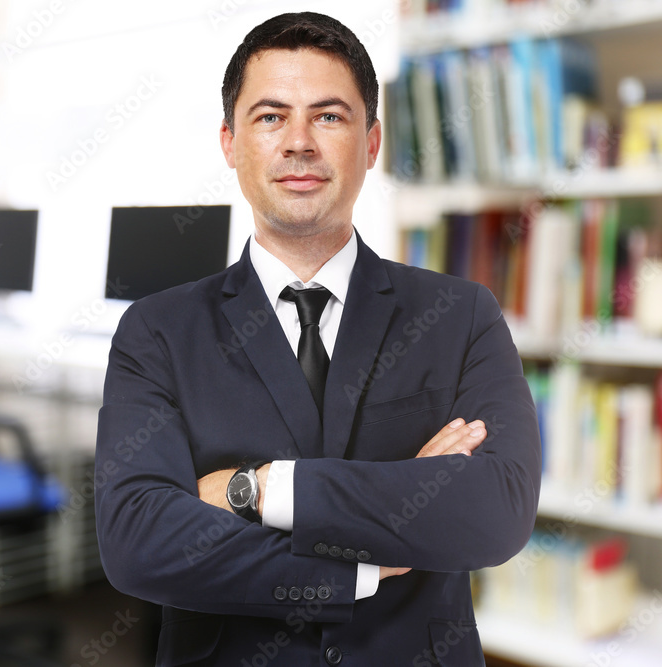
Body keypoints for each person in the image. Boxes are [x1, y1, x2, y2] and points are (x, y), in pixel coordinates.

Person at [95, 11, 540, 666]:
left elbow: (496, 510)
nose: (299, 142)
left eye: (329, 116)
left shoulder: (460, 314)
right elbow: (139, 542)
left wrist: (257, 489)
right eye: (270, 117)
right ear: (230, 142)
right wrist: (377, 540)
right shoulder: (157, 330)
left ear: (372, 142)